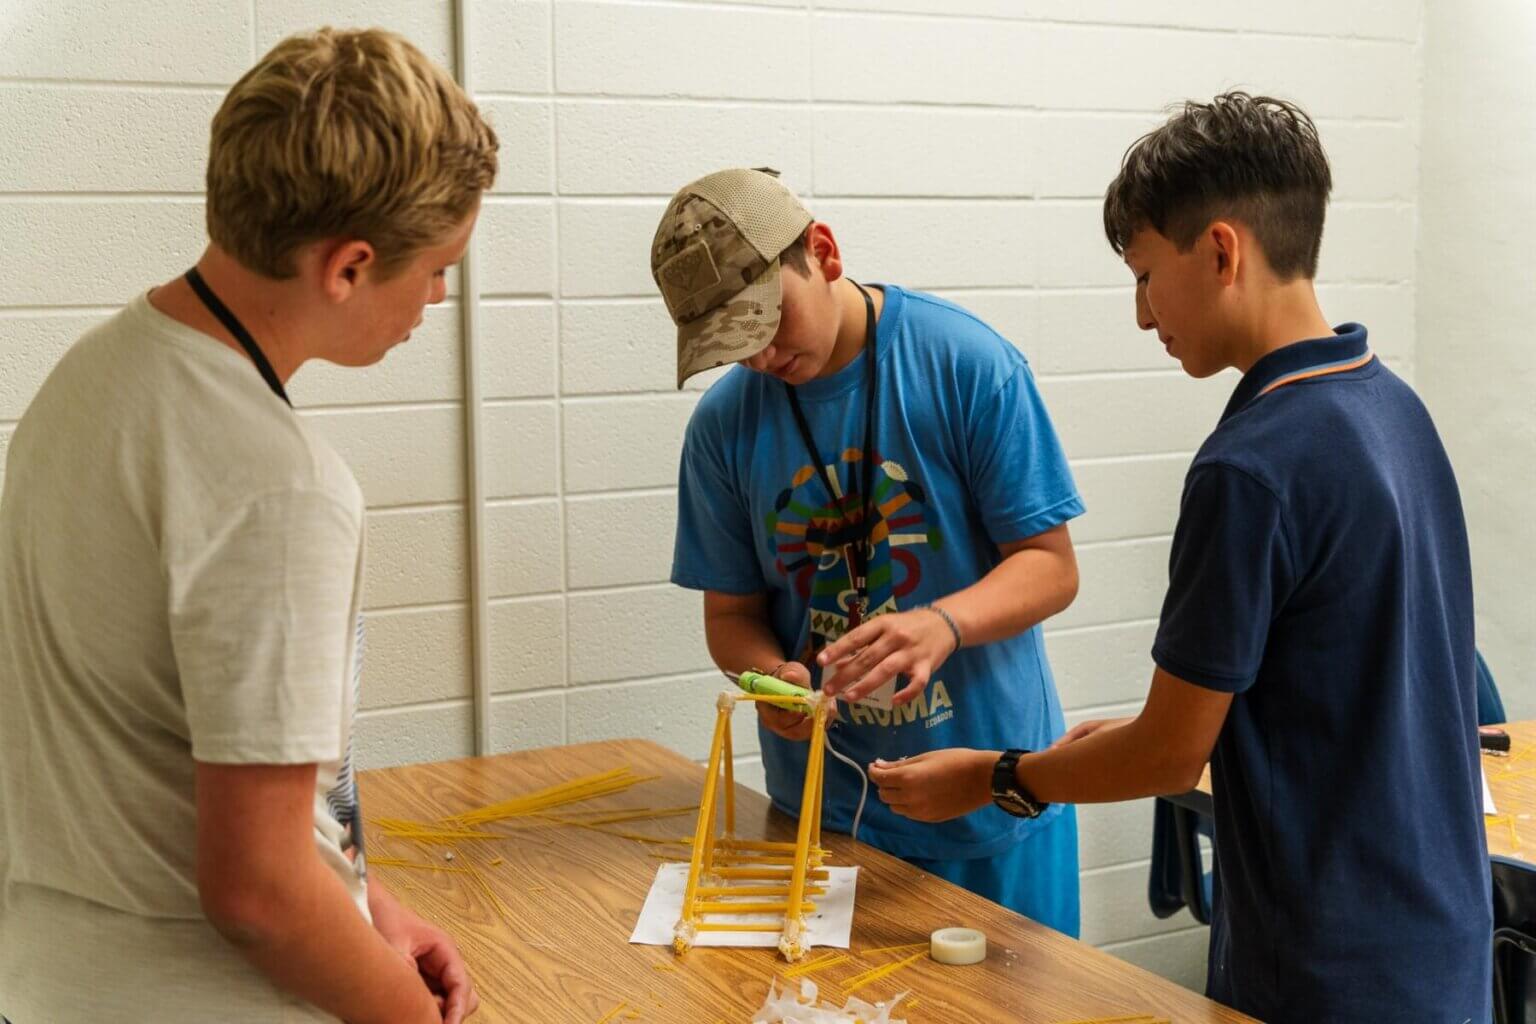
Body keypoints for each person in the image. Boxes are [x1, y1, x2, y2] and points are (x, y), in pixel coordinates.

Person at [868, 93, 1491, 1023]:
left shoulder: (1252, 465)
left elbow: (1169, 755)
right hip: (1441, 941)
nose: (1141, 314)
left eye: (1146, 274)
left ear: (1223, 252)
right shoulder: (1390, 407)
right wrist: (1138, 733)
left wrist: (999, 777)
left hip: (1326, 964)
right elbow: (1332, 685)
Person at [0, 28, 498, 1024]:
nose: (437, 299)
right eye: (439, 269)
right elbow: (261, 893)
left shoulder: (93, 379)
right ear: (350, 266)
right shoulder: (280, 487)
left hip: (56, 981)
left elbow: (168, 764)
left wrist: (366, 909)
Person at [655, 167, 1085, 935]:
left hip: (986, 803)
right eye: (733, 345)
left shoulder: (966, 365)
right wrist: (770, 677)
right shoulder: (723, 428)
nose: (758, 358)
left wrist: (942, 624)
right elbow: (731, 614)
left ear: (822, 252)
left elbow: (1052, 568)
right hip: (824, 824)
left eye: (768, 322)